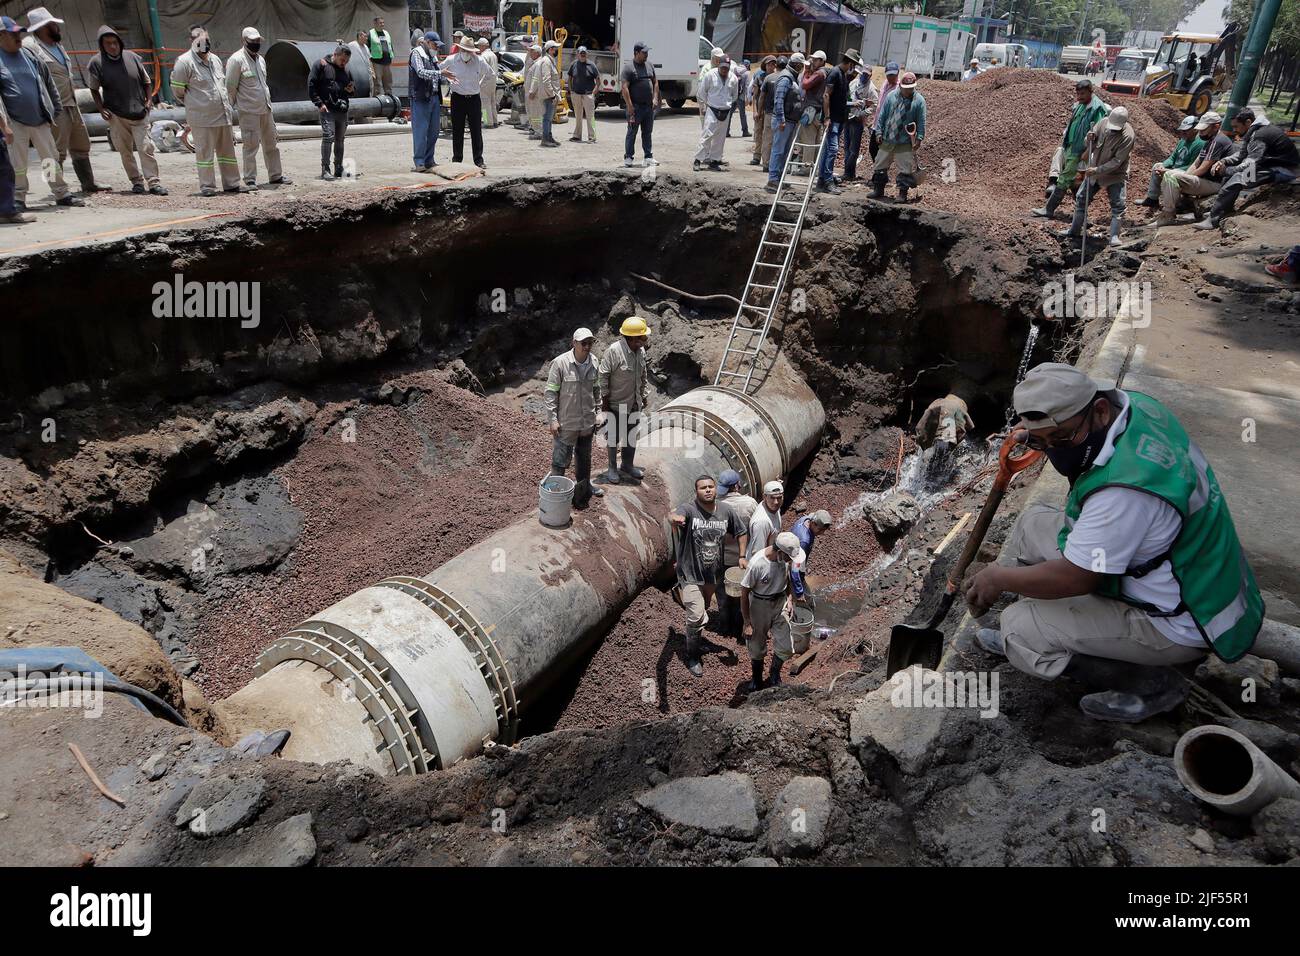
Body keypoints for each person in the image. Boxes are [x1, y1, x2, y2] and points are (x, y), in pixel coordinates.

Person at [968, 362, 1262, 723]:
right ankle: (1049, 626)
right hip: (1189, 568)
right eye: (1043, 442)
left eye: (1060, 440)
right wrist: (1039, 433)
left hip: (1181, 618)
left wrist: (997, 578)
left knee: (1020, 626)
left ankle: (1151, 684)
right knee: (1031, 525)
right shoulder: (1135, 407)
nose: (1055, 452)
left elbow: (1077, 579)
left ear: (1100, 411)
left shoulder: (1122, 493)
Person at [670, 475, 748, 677]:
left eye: (710, 487)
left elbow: (741, 531)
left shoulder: (725, 511)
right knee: (696, 615)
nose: (707, 490)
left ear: (716, 489)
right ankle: (693, 655)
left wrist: (741, 555)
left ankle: (697, 637)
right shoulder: (689, 509)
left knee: (703, 609)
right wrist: (675, 519)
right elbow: (675, 516)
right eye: (702, 487)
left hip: (712, 576)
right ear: (696, 492)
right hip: (690, 574)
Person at [24, 7, 106, 194]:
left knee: (81, 145)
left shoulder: (57, 45)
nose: (56, 27)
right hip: (52, 108)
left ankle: (88, 183)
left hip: (71, 104)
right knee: (53, 152)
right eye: (53, 24)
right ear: (43, 26)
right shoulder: (30, 47)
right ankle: (54, 188)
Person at [0, 15, 79, 209]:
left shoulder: (29, 55)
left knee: (50, 160)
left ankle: (61, 193)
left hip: (40, 119)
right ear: (1, 35)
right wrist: (4, 125)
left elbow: (48, 83)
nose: (19, 37)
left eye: (20, 33)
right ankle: (19, 198)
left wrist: (55, 109)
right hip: (14, 122)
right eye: (14, 34)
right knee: (18, 165)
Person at [86, 24, 165, 195]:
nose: (112, 46)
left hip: (139, 112)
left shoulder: (133, 58)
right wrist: (100, 108)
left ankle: (154, 182)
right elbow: (93, 88)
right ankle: (136, 181)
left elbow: (146, 81)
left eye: (115, 42)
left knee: (146, 148)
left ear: (120, 42)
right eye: (108, 43)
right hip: (116, 114)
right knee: (125, 150)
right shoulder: (96, 63)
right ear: (102, 45)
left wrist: (149, 100)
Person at [1196, 109, 1300, 230]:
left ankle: (1213, 220)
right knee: (1229, 176)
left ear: (1248, 122)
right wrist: (1224, 161)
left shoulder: (1260, 135)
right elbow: (1242, 154)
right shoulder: (1253, 132)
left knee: (1237, 178)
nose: (1234, 130)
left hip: (1285, 170)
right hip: (1269, 165)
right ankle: (1223, 209)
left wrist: (1226, 170)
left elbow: (1249, 164)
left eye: (1236, 126)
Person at [173, 25, 246, 196]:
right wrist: (196, 105)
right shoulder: (184, 63)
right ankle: (207, 186)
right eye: (198, 40)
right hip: (202, 118)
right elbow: (178, 91)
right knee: (205, 155)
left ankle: (232, 184)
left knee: (227, 153)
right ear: (192, 41)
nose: (203, 44)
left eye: (206, 40)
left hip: (223, 115)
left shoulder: (215, 60)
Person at [545, 328, 605, 510]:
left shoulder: (594, 362)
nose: (587, 347)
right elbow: (551, 393)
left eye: (590, 343)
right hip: (567, 422)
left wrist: (599, 410)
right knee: (560, 459)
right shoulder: (560, 363)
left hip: (587, 421)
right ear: (574, 343)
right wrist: (552, 419)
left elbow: (596, 389)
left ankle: (584, 488)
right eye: (583, 343)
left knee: (584, 457)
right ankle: (556, 493)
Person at [1033, 79, 1109, 220]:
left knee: (1065, 178)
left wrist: (1088, 151)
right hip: (1071, 146)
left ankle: (1049, 209)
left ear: (1091, 92)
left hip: (1081, 150)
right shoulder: (1080, 105)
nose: (1079, 97)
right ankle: (1081, 216)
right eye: (1078, 93)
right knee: (1073, 180)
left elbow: (1100, 132)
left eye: (1083, 94)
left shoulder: (1097, 108)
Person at [1058, 105, 1133, 248]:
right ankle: (1074, 231)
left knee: (1118, 205)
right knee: (1081, 199)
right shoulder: (1103, 123)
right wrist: (1089, 137)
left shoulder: (1128, 136)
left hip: (1114, 174)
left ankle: (1114, 236)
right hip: (1095, 170)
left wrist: (1097, 169)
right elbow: (1088, 142)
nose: (1112, 130)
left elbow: (1117, 162)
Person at [740, 530, 805, 691]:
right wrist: (747, 622)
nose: (791, 560)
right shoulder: (757, 564)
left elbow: (789, 577)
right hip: (759, 604)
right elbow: (744, 593)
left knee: (786, 646)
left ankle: (774, 674)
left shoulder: (785, 560)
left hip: (779, 602)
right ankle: (757, 680)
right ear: (780, 552)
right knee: (756, 647)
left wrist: (789, 599)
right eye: (789, 557)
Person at [226, 27, 290, 189]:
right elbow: (230, 87)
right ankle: (250, 179)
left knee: (271, 144)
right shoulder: (236, 60)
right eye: (252, 41)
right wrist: (228, 111)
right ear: (244, 41)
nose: (255, 44)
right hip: (249, 111)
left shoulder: (260, 60)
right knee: (250, 146)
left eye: (257, 41)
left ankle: (275, 175)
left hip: (266, 109)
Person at [597, 315, 650, 484]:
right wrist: (605, 404)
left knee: (631, 435)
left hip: (634, 403)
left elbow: (643, 375)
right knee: (613, 437)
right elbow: (603, 376)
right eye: (642, 336)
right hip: (616, 403)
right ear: (632, 338)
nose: (645, 339)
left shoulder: (640, 351)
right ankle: (612, 468)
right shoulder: (614, 351)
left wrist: (643, 395)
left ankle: (627, 465)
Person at [1156, 111, 1233, 225]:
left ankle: (1168, 214)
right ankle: (1170, 207)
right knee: (1170, 175)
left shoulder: (1218, 142)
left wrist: (1181, 177)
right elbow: (1195, 164)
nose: (1200, 133)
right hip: (1205, 181)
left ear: (1216, 126)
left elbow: (1202, 169)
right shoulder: (1209, 140)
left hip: (1215, 184)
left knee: (1171, 176)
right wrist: (1184, 175)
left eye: (1203, 130)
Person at [716, 468, 758, 639]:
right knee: (743, 593)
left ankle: (725, 627)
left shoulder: (715, 504)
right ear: (738, 485)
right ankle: (740, 627)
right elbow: (754, 530)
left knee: (722, 592)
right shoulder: (749, 504)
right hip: (742, 558)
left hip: (720, 558)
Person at [870, 70, 925, 202]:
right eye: (906, 88)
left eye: (911, 88)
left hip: (905, 141)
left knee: (905, 167)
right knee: (880, 164)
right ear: (900, 85)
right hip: (888, 138)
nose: (908, 91)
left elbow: (921, 121)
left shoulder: (919, 101)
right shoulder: (891, 96)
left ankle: (902, 194)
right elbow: (882, 116)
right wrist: (878, 131)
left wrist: (919, 138)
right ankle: (878, 190)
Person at [1134, 115, 1202, 212]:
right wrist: (1163, 165)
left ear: (1195, 129)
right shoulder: (1182, 141)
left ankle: (1170, 208)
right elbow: (1173, 157)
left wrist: (1170, 171)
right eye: (1182, 130)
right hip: (1175, 168)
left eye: (1186, 130)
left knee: (1170, 174)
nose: (1183, 132)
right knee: (1157, 166)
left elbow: (1193, 166)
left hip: (1186, 173)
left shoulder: (1199, 143)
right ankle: (1152, 198)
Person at [442, 41, 490, 168]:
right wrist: (448, 79)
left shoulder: (479, 61)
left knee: (476, 129)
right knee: (457, 129)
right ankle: (457, 159)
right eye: (463, 50)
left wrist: (480, 85)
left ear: (472, 52)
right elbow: (439, 70)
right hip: (457, 98)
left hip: (474, 98)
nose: (466, 53)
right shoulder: (451, 60)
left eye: (468, 51)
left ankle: (478, 159)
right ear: (459, 49)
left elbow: (490, 74)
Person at [308, 46, 353, 180]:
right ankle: (325, 169)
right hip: (327, 109)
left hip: (342, 109)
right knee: (328, 136)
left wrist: (351, 90)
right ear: (335, 54)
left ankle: (338, 168)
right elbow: (311, 85)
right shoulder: (321, 65)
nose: (344, 63)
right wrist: (319, 103)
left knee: (340, 139)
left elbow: (352, 86)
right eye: (342, 59)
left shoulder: (346, 69)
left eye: (347, 61)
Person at [816, 51, 855, 194]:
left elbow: (840, 99)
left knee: (828, 149)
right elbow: (826, 95)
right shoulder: (835, 73)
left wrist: (853, 104)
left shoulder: (842, 75)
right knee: (832, 149)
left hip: (838, 118)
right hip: (832, 120)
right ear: (850, 63)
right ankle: (827, 180)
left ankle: (822, 179)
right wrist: (827, 117)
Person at [764, 52, 802, 192]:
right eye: (802, 66)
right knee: (778, 150)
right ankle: (773, 180)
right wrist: (781, 119)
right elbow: (778, 100)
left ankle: (779, 179)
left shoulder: (791, 77)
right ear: (797, 65)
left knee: (784, 151)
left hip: (789, 120)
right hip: (783, 121)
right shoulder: (786, 78)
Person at [693, 54, 735, 172]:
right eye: (722, 68)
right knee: (707, 135)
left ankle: (714, 161)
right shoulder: (710, 75)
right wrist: (705, 106)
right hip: (712, 109)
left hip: (725, 111)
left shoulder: (733, 78)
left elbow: (734, 95)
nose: (724, 70)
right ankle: (698, 160)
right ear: (718, 65)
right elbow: (702, 92)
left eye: (726, 68)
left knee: (720, 138)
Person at [407, 31, 442, 172]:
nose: (437, 48)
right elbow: (421, 72)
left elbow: (438, 73)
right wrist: (441, 73)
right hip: (421, 98)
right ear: (427, 42)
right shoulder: (417, 53)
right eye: (435, 45)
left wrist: (447, 76)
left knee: (434, 131)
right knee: (421, 131)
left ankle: (429, 160)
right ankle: (419, 162)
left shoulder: (432, 57)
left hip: (433, 97)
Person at [621, 41, 658, 169]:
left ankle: (648, 157)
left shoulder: (649, 65)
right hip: (635, 107)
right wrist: (630, 106)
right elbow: (624, 88)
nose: (646, 54)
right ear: (636, 53)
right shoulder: (629, 67)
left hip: (648, 107)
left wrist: (655, 99)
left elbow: (655, 83)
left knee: (647, 132)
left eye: (647, 52)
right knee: (632, 132)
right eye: (644, 52)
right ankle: (629, 157)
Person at [789, 510, 832, 610]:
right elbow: (795, 569)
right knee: (807, 602)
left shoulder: (805, 519)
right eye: (820, 530)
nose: (822, 533)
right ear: (813, 523)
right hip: (793, 567)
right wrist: (799, 592)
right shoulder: (804, 541)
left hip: (793, 558)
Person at [794, 50, 827, 176]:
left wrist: (807, 71)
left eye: (816, 59)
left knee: (808, 140)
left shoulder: (819, 73)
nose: (813, 61)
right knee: (816, 141)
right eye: (813, 59)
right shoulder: (824, 73)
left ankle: (807, 168)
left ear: (822, 61)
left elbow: (805, 84)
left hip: (812, 111)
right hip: (819, 112)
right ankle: (814, 167)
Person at [844, 58, 877, 181]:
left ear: (870, 75)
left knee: (853, 149)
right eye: (863, 73)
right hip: (848, 117)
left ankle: (848, 172)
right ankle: (849, 173)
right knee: (847, 147)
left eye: (866, 75)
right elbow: (847, 95)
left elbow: (874, 105)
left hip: (857, 120)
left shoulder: (871, 89)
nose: (864, 76)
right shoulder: (854, 83)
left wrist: (863, 113)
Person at [870, 61, 901, 161]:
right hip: (877, 124)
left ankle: (880, 172)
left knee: (883, 152)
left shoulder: (899, 88)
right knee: (872, 149)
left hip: (887, 126)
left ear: (897, 73)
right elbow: (880, 104)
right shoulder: (884, 84)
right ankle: (878, 171)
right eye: (889, 75)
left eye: (893, 75)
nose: (891, 77)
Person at [748, 55, 776, 167]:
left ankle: (767, 158)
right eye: (769, 64)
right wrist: (755, 111)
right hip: (761, 110)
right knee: (758, 132)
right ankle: (756, 156)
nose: (772, 66)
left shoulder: (776, 77)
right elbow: (755, 96)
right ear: (765, 65)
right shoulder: (759, 77)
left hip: (770, 110)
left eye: (773, 64)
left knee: (768, 135)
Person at [567, 45, 598, 142]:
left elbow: (598, 81)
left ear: (587, 54)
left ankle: (592, 137)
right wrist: (571, 90)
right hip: (576, 94)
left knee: (590, 117)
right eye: (581, 54)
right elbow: (570, 78)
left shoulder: (592, 65)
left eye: (584, 53)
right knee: (578, 116)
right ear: (577, 55)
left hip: (588, 95)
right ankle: (577, 135)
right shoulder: (574, 64)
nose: (583, 55)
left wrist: (593, 93)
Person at [747, 479, 784, 560]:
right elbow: (758, 553)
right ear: (764, 497)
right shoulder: (762, 522)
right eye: (772, 498)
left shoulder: (773, 507)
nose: (776, 502)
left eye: (779, 498)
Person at [536, 39, 562, 148]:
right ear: (551, 50)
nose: (557, 50)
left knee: (549, 118)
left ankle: (549, 137)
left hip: (551, 95)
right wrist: (552, 95)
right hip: (549, 95)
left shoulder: (550, 60)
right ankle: (545, 139)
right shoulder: (546, 61)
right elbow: (546, 80)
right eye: (555, 48)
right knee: (547, 118)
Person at [368, 16, 394, 97]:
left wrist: (391, 54)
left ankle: (389, 96)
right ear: (375, 23)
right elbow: (367, 47)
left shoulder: (386, 33)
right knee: (377, 81)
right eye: (380, 23)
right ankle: (377, 97)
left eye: (383, 22)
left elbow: (390, 45)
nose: (382, 24)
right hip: (376, 61)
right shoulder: (371, 33)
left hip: (387, 61)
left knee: (388, 80)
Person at [476, 38, 499, 128]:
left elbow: (481, 71)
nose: (478, 47)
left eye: (478, 45)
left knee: (485, 104)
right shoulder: (493, 54)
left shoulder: (483, 56)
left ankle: (487, 122)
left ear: (483, 46)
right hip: (493, 81)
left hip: (485, 81)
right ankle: (494, 121)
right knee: (492, 102)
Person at [521, 44, 542, 136]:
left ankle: (537, 131)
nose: (530, 53)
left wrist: (532, 91)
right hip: (530, 91)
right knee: (532, 111)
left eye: (532, 51)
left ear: (537, 53)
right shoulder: (534, 62)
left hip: (533, 93)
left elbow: (536, 79)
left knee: (535, 113)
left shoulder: (537, 64)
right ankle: (533, 128)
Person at [700, 46, 723, 129]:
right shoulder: (706, 69)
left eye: (720, 58)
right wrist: (703, 105)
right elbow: (701, 89)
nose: (719, 60)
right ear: (712, 58)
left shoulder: (722, 69)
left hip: (717, 102)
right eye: (717, 58)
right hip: (707, 102)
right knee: (706, 125)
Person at [728, 58, 751, 137]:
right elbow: (748, 86)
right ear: (748, 66)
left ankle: (726, 131)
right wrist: (748, 98)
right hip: (741, 97)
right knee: (742, 114)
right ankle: (745, 131)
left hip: (733, 96)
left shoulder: (734, 70)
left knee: (729, 114)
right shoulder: (747, 73)